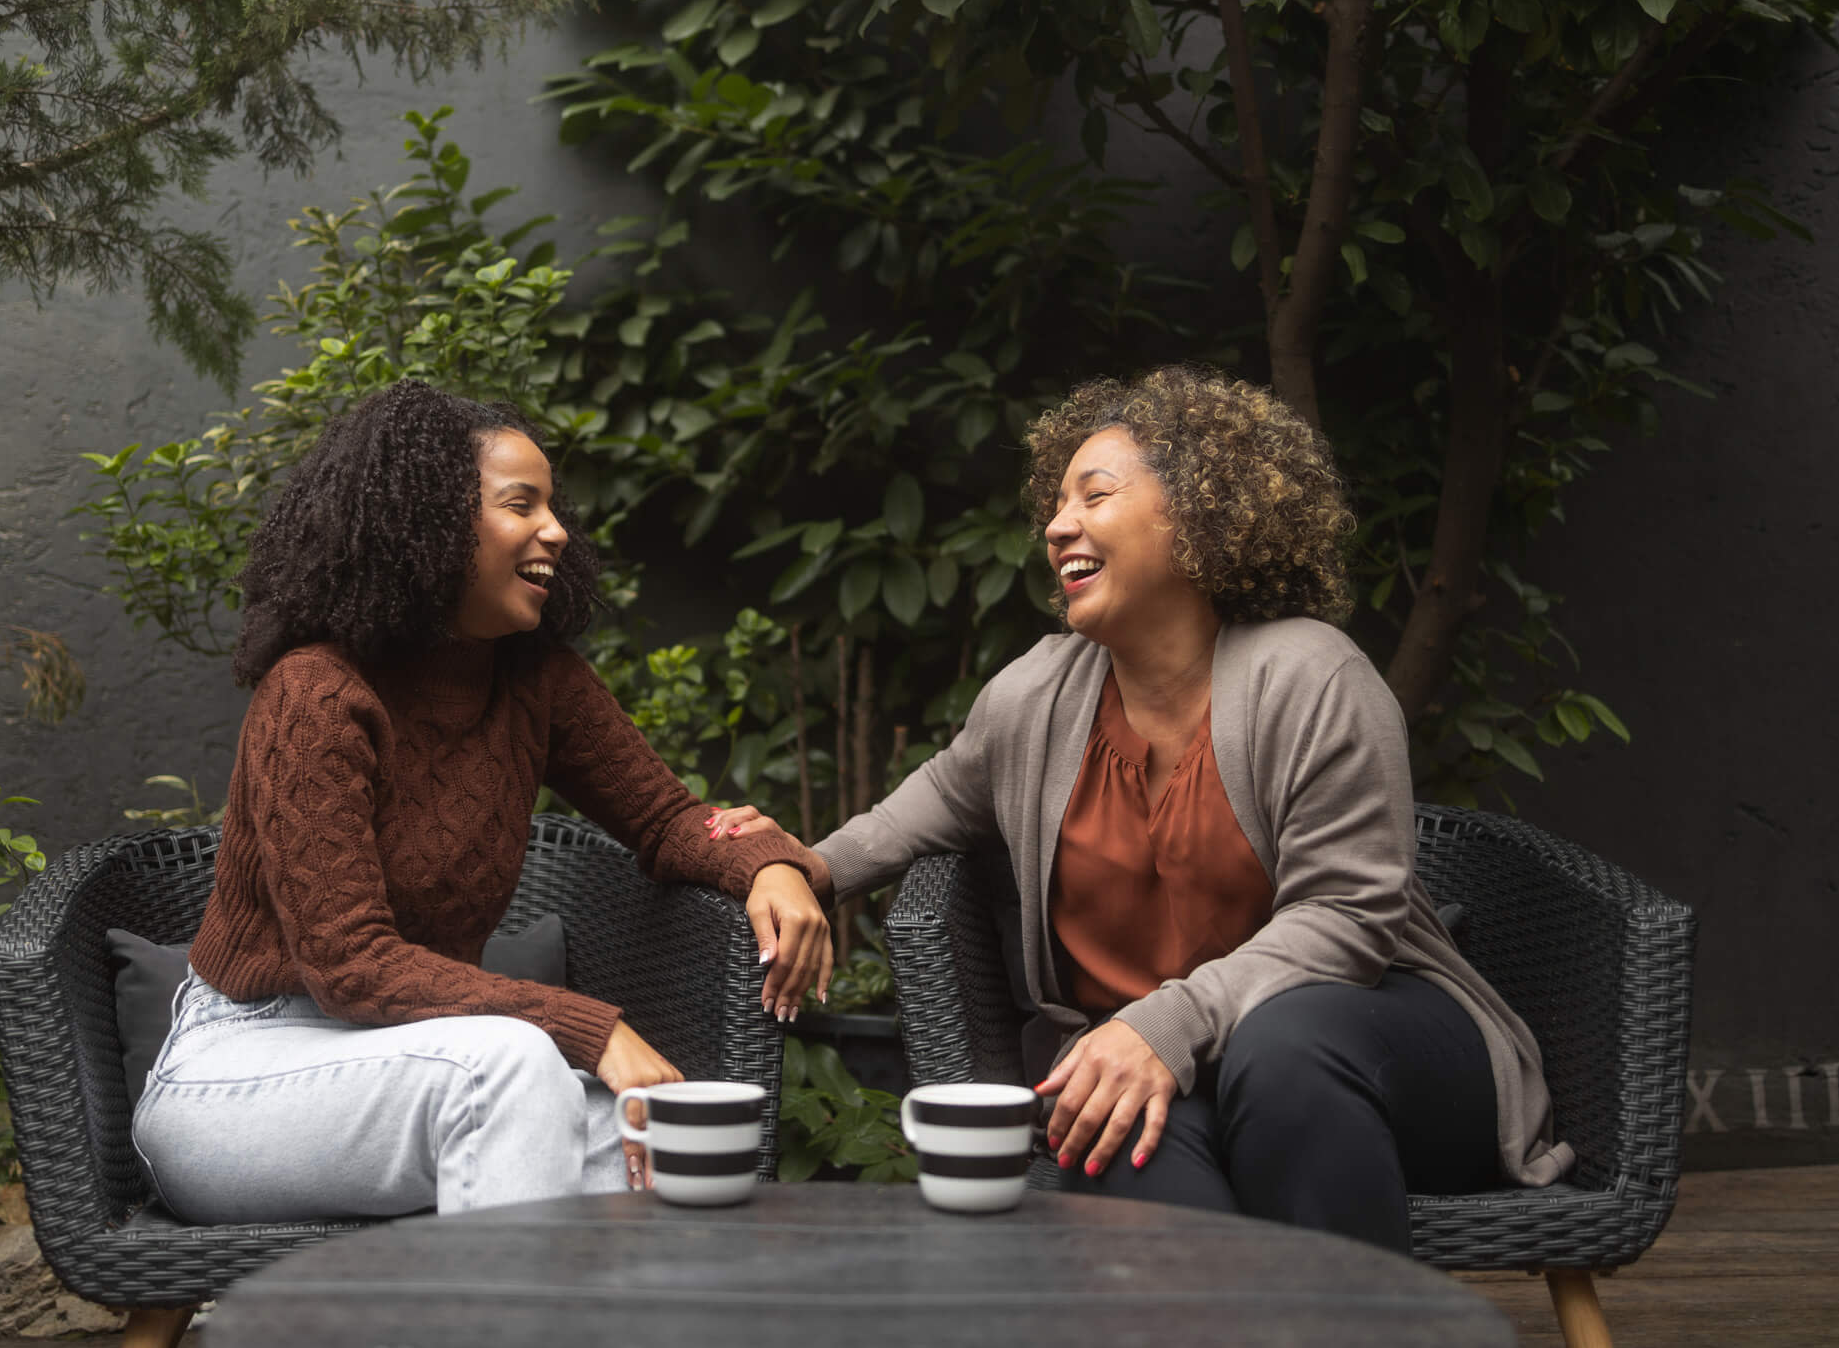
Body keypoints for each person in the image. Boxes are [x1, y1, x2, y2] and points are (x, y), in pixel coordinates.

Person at [716, 365, 1571, 1252]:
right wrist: (800, 864)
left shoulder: (1310, 677)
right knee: (1113, 1132)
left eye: (1095, 495)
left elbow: (1347, 919)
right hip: (1154, 1073)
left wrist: (1164, 1024)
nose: (1056, 526)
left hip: (1375, 1055)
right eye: (1054, 504)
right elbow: (927, 802)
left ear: (1200, 514)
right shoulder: (1036, 697)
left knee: (1284, 1047)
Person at [132, 380, 832, 1222]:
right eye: (520, 505)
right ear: (427, 527)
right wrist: (592, 1028)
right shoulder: (316, 694)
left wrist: (771, 867)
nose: (557, 531)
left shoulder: (536, 683)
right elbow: (350, 964)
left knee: (671, 1141)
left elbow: (664, 819)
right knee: (515, 1064)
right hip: (241, 1071)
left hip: (426, 1061)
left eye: (552, 505)